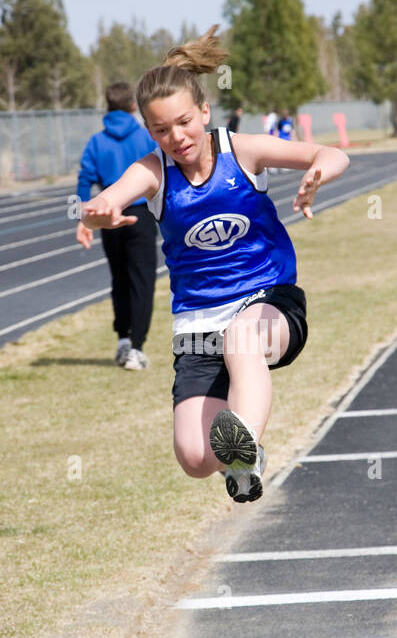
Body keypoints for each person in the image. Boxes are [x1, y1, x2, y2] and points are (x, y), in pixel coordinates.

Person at [77, 26, 349, 503]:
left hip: (268, 301)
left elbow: (332, 153)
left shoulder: (241, 152)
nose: (176, 137)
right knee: (196, 457)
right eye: (161, 130)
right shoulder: (152, 172)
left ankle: (247, 458)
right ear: (149, 131)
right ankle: (231, 455)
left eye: (184, 123)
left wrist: (316, 175)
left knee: (244, 338)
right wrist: (96, 214)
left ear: (205, 111)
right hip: (199, 323)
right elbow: (103, 200)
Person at [76, 81, 160, 371]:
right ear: (134, 106)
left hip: (106, 214)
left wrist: (82, 217)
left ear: (108, 106)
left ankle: (122, 339)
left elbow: (85, 178)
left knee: (119, 278)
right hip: (140, 213)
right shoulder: (147, 137)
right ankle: (136, 347)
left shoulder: (96, 142)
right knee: (143, 280)